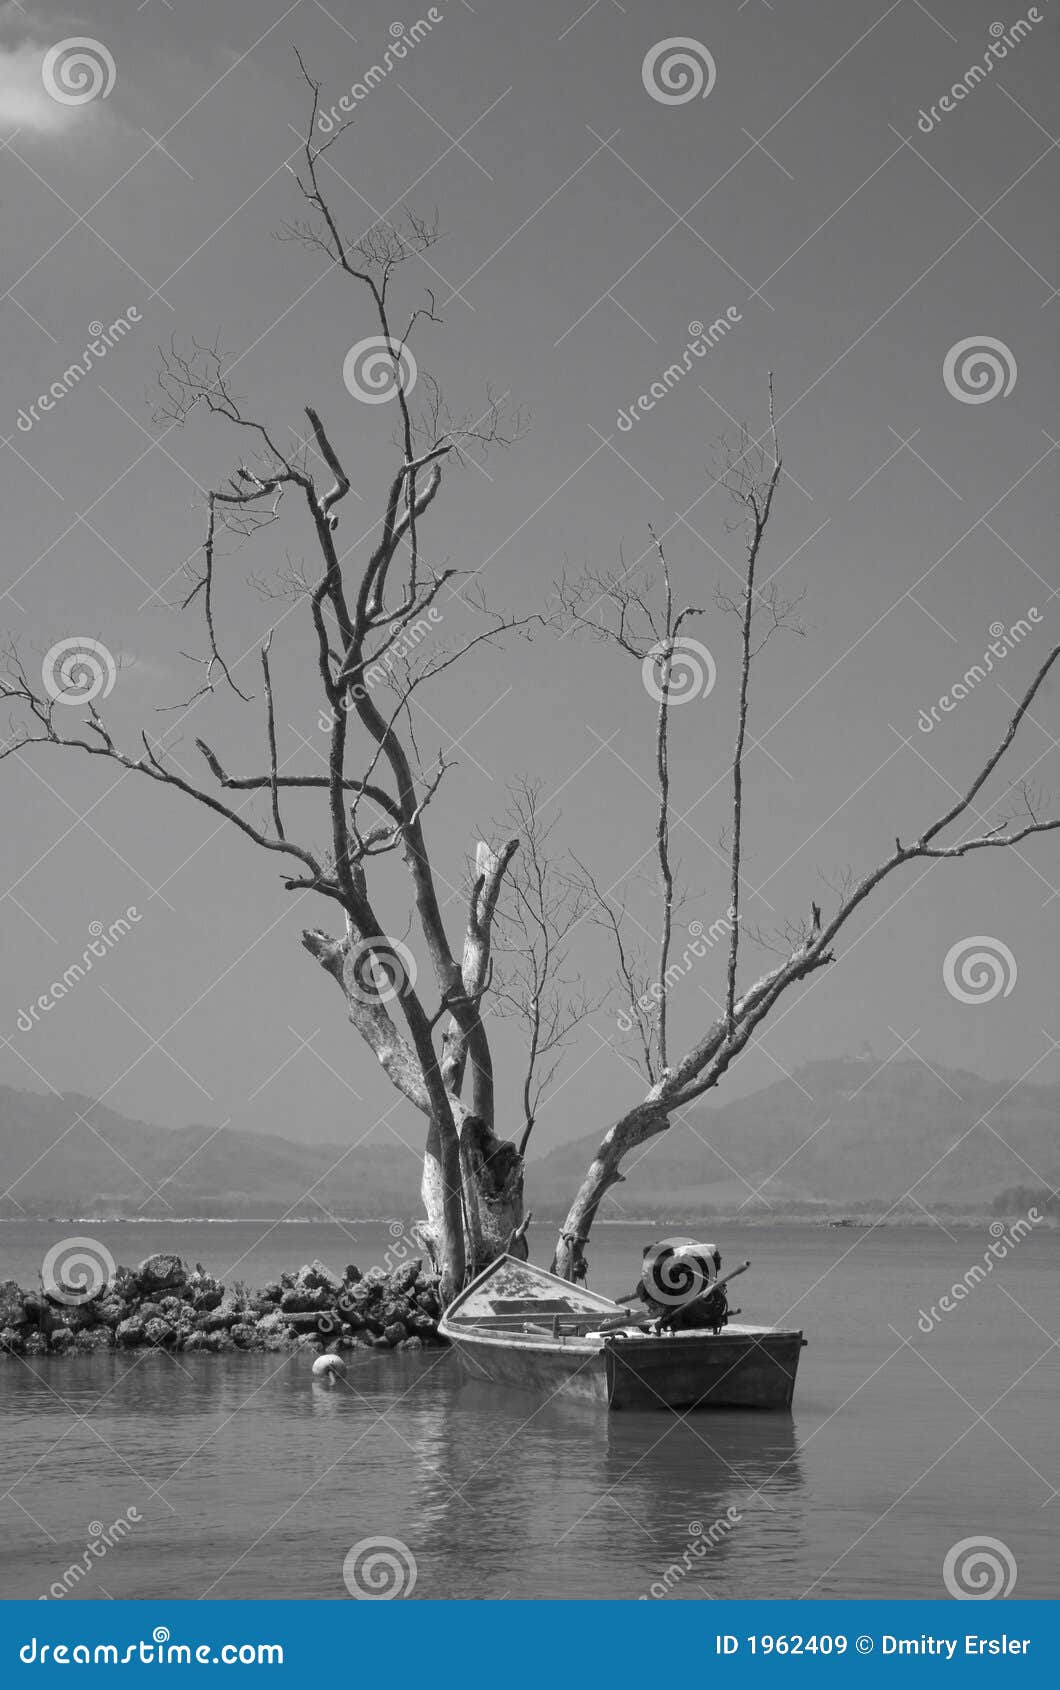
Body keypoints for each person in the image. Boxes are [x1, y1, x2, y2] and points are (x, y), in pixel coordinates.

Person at [618, 1240, 727, 1332]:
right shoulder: (662, 1276)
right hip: (690, 1305)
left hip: (687, 1305)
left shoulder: (666, 1275)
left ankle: (668, 1314)